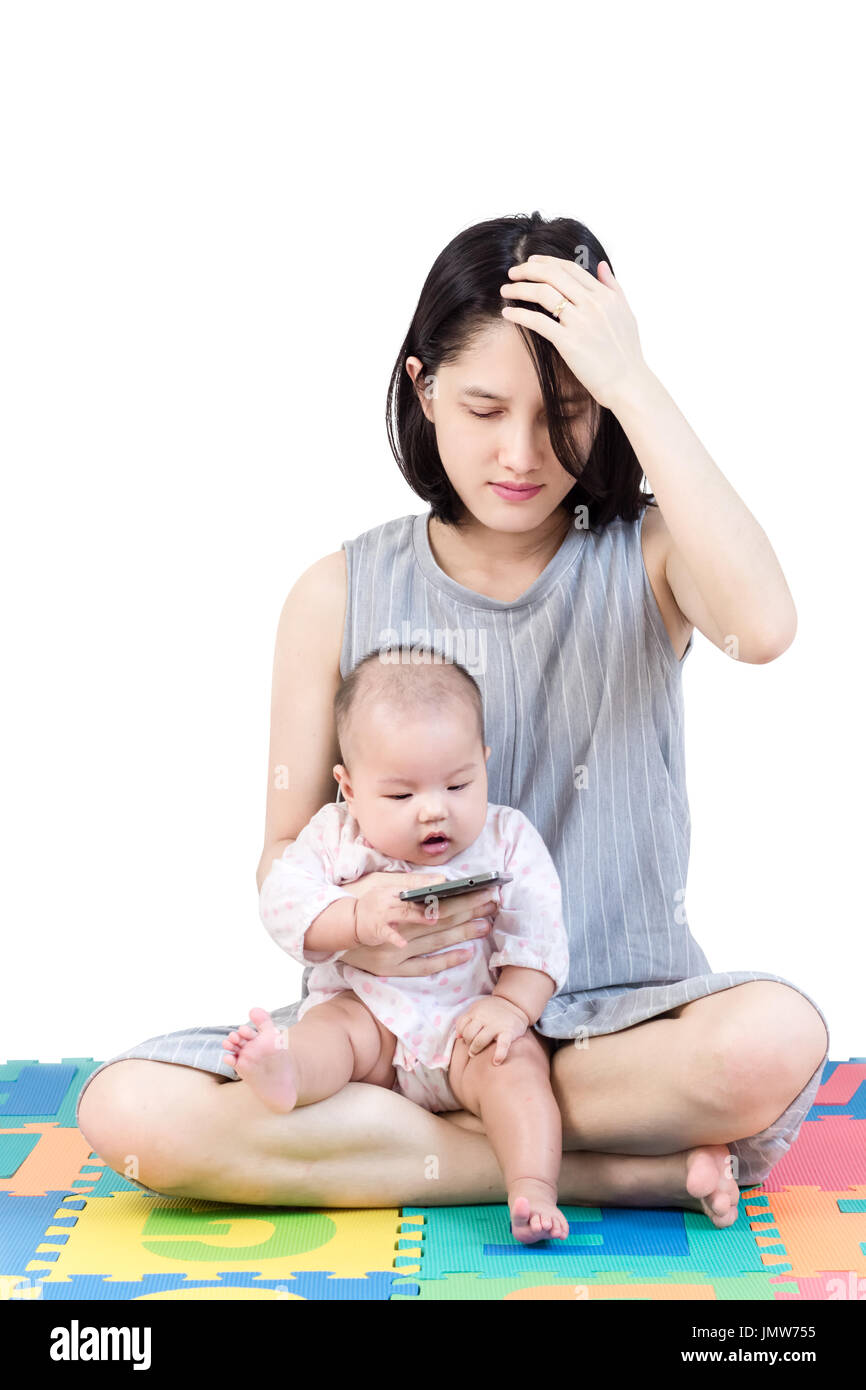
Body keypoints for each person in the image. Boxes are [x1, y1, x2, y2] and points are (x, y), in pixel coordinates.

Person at [75, 211, 829, 1229]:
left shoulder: (643, 558)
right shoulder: (334, 592)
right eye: (482, 407)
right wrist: (359, 936)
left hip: (617, 1031)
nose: (522, 452)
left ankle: (449, 1145)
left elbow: (766, 627)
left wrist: (634, 381)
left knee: (772, 1038)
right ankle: (597, 1170)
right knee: (127, 1110)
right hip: (386, 1034)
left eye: (564, 410)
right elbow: (280, 857)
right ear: (422, 389)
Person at [225, 646, 571, 1243]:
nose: (434, 810)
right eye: (401, 796)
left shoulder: (506, 836)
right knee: (329, 1033)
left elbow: (538, 936)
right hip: (370, 1018)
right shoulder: (334, 838)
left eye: (459, 783)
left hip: (471, 1025)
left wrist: (512, 1007)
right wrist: (354, 919)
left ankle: (533, 1187)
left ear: (484, 764)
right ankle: (287, 1070)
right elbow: (281, 902)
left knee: (518, 1069)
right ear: (350, 788)